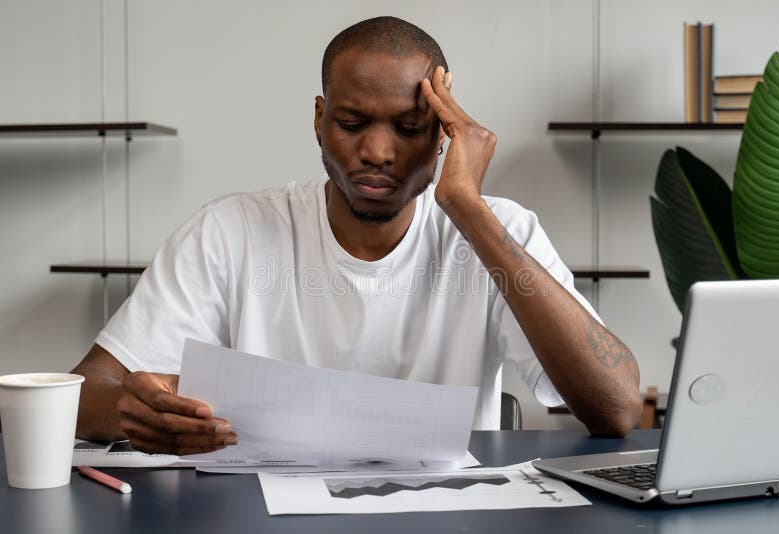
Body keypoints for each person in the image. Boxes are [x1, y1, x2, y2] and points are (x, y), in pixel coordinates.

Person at [71, 16, 641, 456]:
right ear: (319, 119)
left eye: (408, 128)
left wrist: (468, 211)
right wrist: (130, 410)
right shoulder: (229, 232)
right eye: (350, 124)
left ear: (446, 135)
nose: (376, 151)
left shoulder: (500, 230)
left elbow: (617, 408)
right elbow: (80, 391)